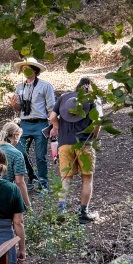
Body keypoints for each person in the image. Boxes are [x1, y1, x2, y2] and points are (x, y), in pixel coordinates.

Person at [50, 76, 103, 222]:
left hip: (64, 143)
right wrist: (95, 135)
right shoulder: (94, 99)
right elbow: (99, 120)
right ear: (88, 86)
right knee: (87, 178)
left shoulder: (64, 98)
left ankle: (61, 210)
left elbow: (52, 116)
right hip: (84, 143)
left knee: (65, 178)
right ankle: (83, 213)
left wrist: (56, 126)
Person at [9, 56, 56, 192]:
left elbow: (51, 108)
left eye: (28, 68)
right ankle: (32, 176)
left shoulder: (45, 86)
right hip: (24, 124)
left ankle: (43, 184)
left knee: (40, 156)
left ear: (35, 70)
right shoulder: (20, 87)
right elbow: (18, 108)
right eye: (23, 68)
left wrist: (54, 126)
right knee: (20, 152)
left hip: (40, 124)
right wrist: (14, 104)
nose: (25, 70)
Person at [0, 121, 32, 211]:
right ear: (16, 135)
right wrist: (28, 205)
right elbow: (19, 182)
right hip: (6, 195)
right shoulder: (16, 154)